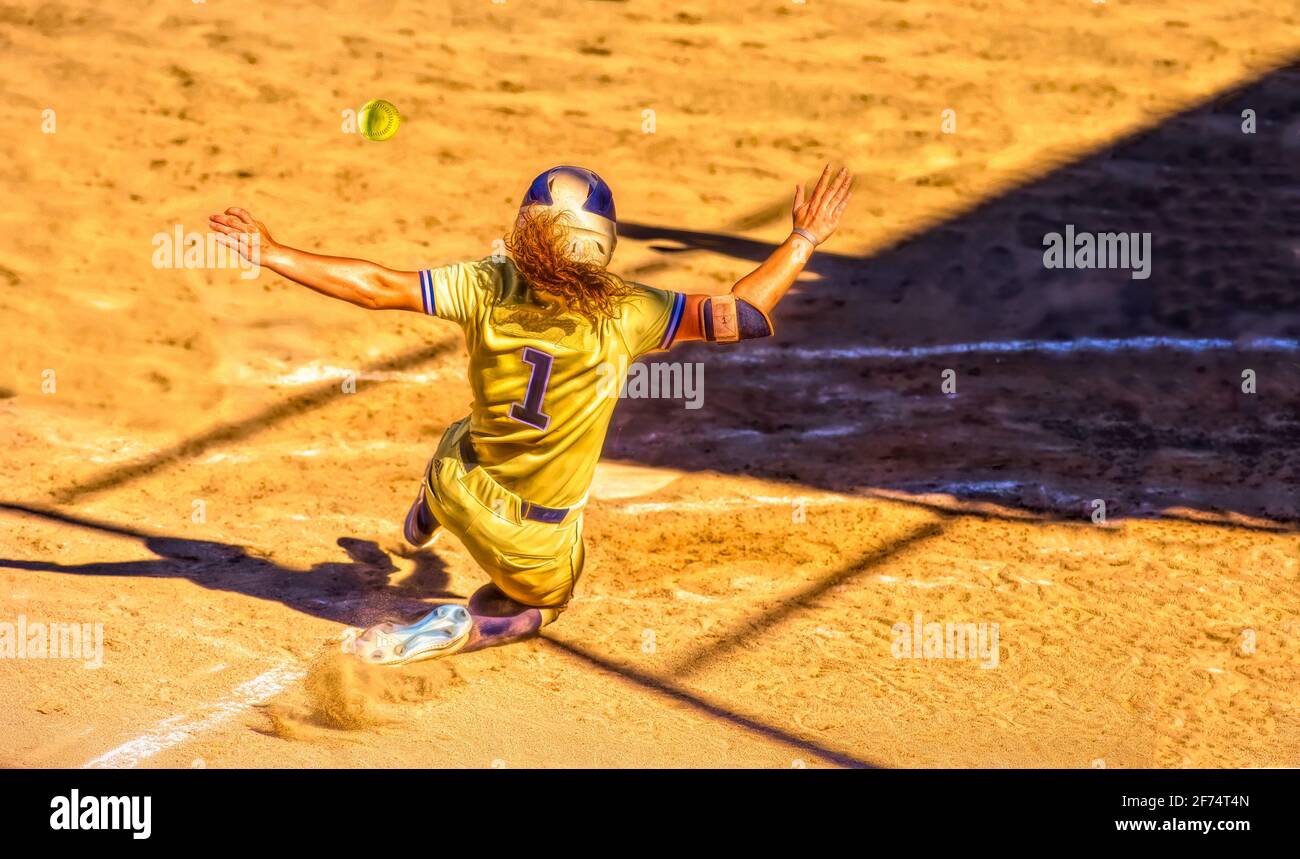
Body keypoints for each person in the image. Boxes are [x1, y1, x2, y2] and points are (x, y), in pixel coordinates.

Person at [209, 163, 852, 664]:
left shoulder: (489, 283)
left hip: (464, 481)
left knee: (460, 434)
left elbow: (377, 288)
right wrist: (803, 237)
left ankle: (430, 508)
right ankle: (457, 628)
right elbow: (745, 314)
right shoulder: (631, 311)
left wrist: (272, 251)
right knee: (539, 606)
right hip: (534, 540)